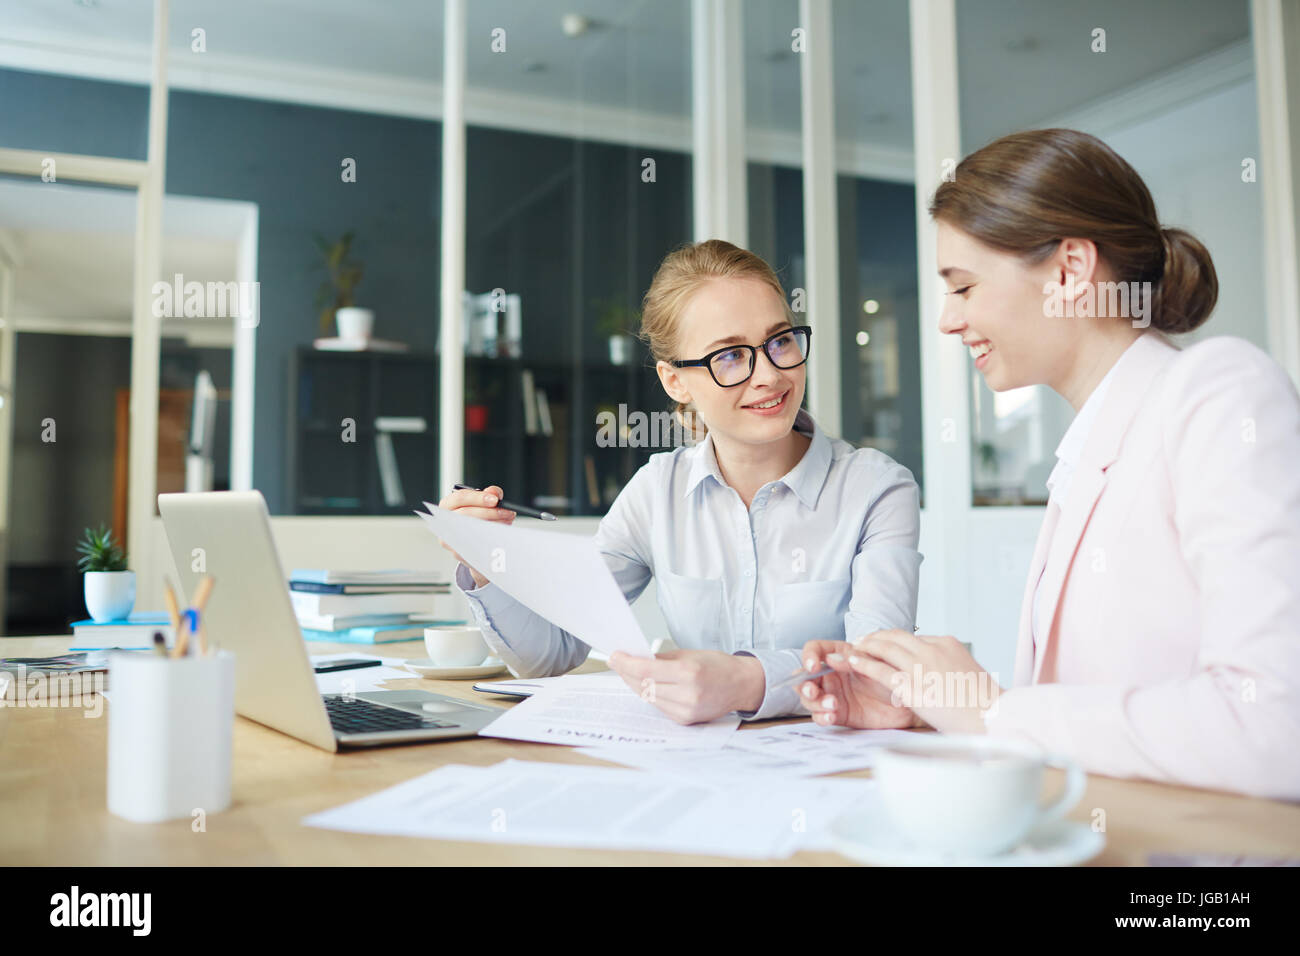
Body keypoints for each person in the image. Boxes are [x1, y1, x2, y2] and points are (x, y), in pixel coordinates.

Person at [799, 128, 1300, 800]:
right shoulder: (1088, 450)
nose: (947, 321)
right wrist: (939, 709)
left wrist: (990, 711)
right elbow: (1085, 710)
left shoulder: (1219, 393)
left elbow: (1274, 725)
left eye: (964, 286)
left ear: (1069, 271)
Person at [436, 239, 922, 724]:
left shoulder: (876, 490)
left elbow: (875, 675)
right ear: (675, 382)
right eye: (730, 355)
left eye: (781, 341)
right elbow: (552, 650)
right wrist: (485, 563)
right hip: (696, 766)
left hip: (837, 773)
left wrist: (741, 681)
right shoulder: (657, 492)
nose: (770, 374)